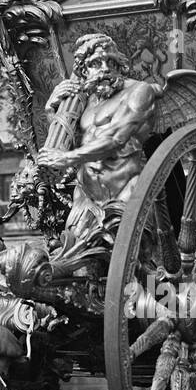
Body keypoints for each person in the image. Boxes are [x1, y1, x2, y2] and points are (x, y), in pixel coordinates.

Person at [35, 33, 164, 254]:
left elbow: (115, 138)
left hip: (126, 191)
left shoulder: (138, 91)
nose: (105, 68)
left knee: (128, 267)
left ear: (120, 65)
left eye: (110, 62)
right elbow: (74, 144)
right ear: (84, 70)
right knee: (78, 270)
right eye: (95, 63)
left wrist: (65, 159)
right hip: (87, 196)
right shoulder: (86, 99)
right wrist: (50, 110)